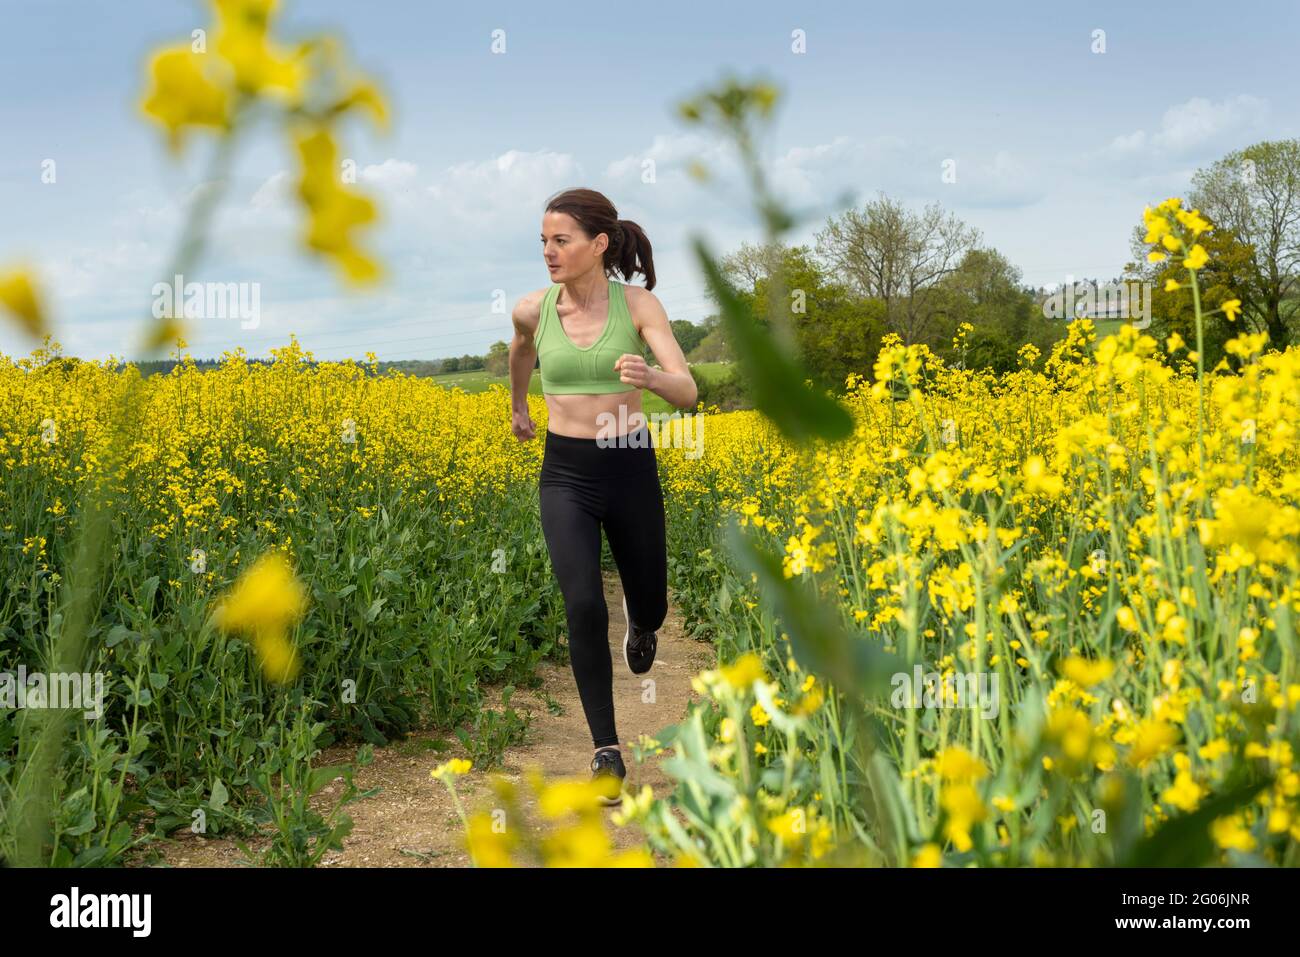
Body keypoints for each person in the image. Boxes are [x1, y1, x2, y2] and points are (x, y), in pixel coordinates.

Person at [508, 187, 698, 806]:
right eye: (542, 240)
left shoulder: (638, 305)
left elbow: (688, 392)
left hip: (628, 462)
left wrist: (651, 376)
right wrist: (517, 406)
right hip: (564, 471)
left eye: (560, 240)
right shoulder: (533, 309)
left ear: (599, 245)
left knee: (651, 597)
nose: (548, 252)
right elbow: (518, 354)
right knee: (583, 602)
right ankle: (606, 752)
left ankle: (643, 626)